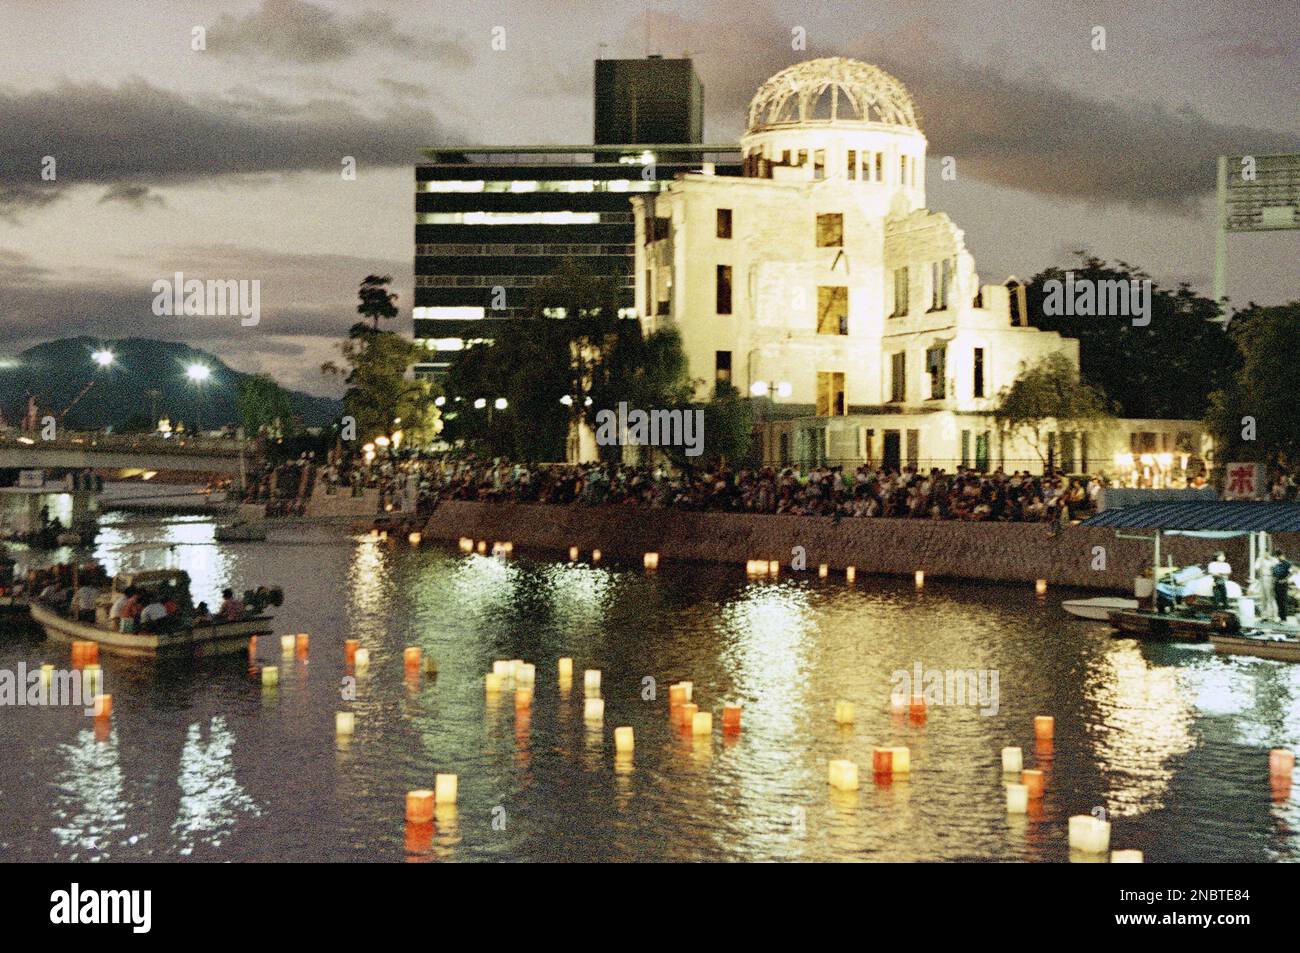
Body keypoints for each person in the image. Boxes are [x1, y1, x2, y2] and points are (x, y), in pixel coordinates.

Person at [1273, 552, 1293, 623]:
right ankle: (1280, 617)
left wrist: (1285, 579)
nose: (1278, 558)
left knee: (1283, 601)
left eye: (1278, 556)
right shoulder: (1277, 564)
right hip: (1277, 584)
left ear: (1282, 556)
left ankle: (1284, 618)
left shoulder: (1287, 563)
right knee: (1278, 601)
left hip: (1283, 584)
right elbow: (1274, 573)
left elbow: (1291, 573)